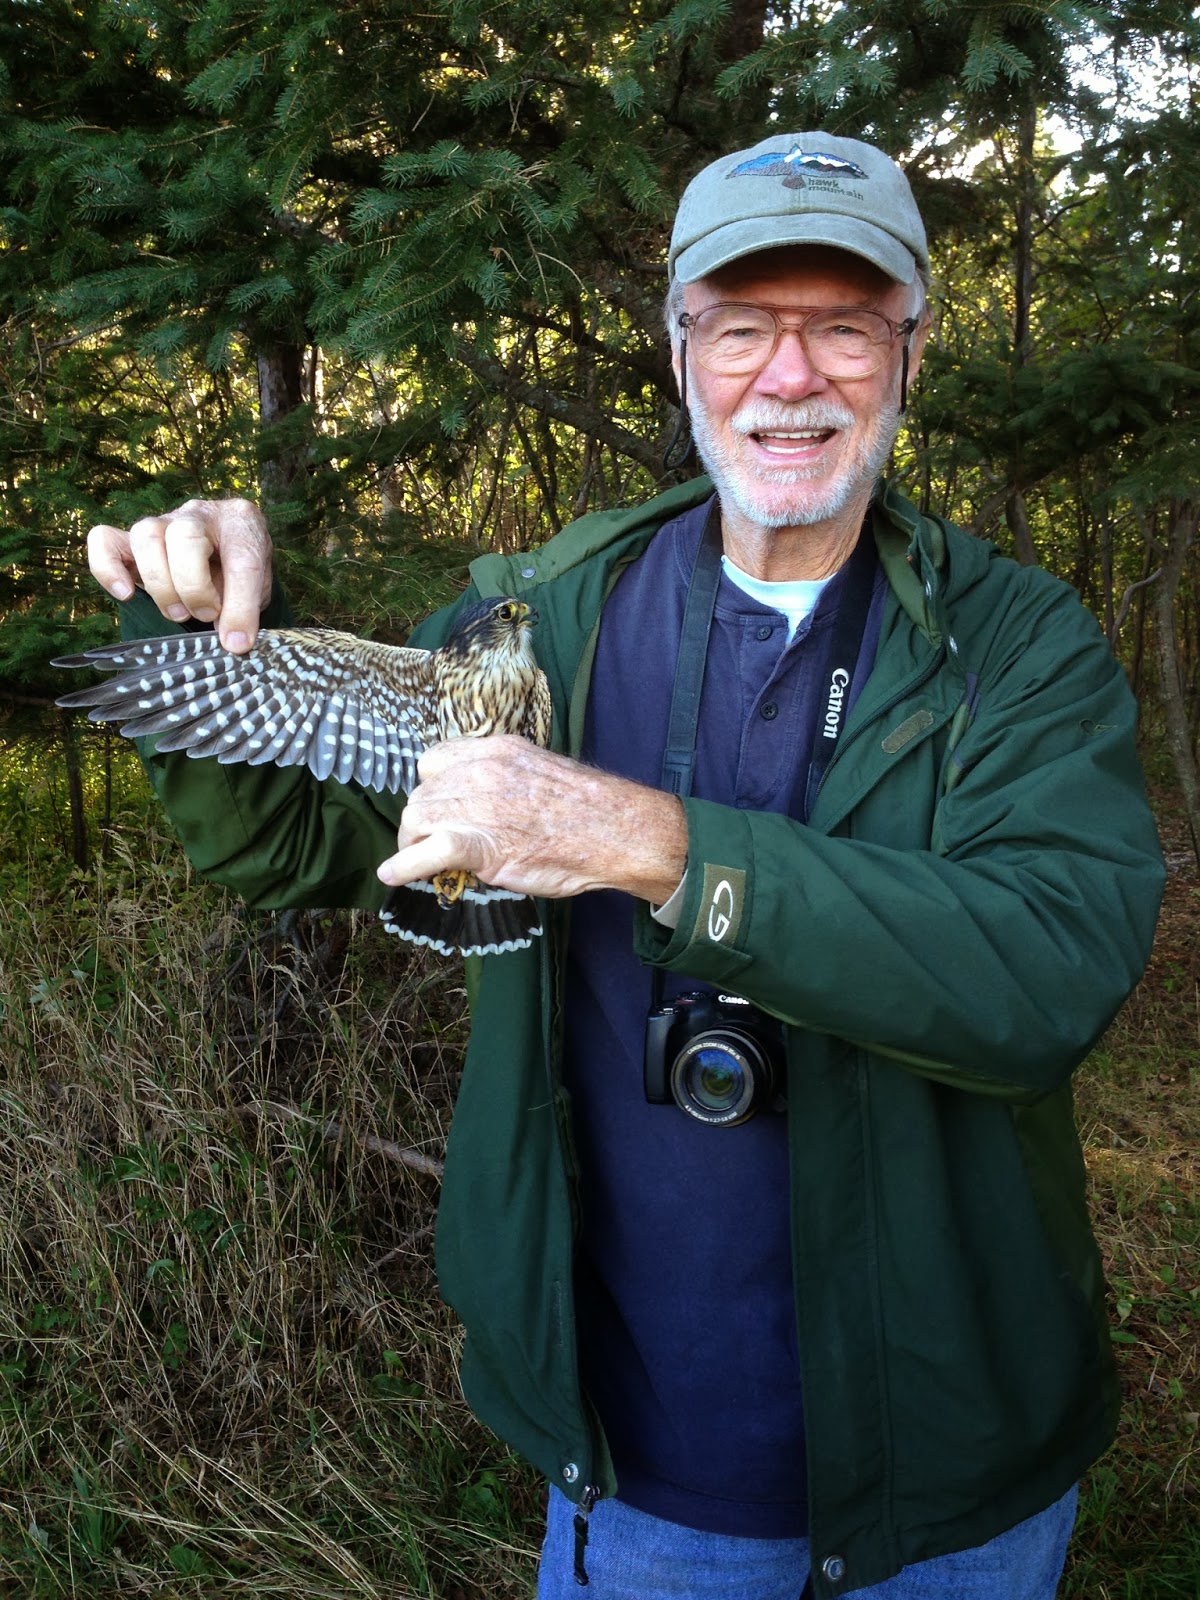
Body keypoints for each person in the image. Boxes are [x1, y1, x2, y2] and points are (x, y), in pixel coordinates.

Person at [80, 132, 1164, 1599]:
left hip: (955, 1469)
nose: (791, 376)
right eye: (741, 327)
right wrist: (190, 615)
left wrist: (652, 847)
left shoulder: (1016, 647)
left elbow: (1046, 974)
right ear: (679, 351)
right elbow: (280, 838)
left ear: (910, 351)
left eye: (845, 327)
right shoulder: (538, 620)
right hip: (643, 1468)